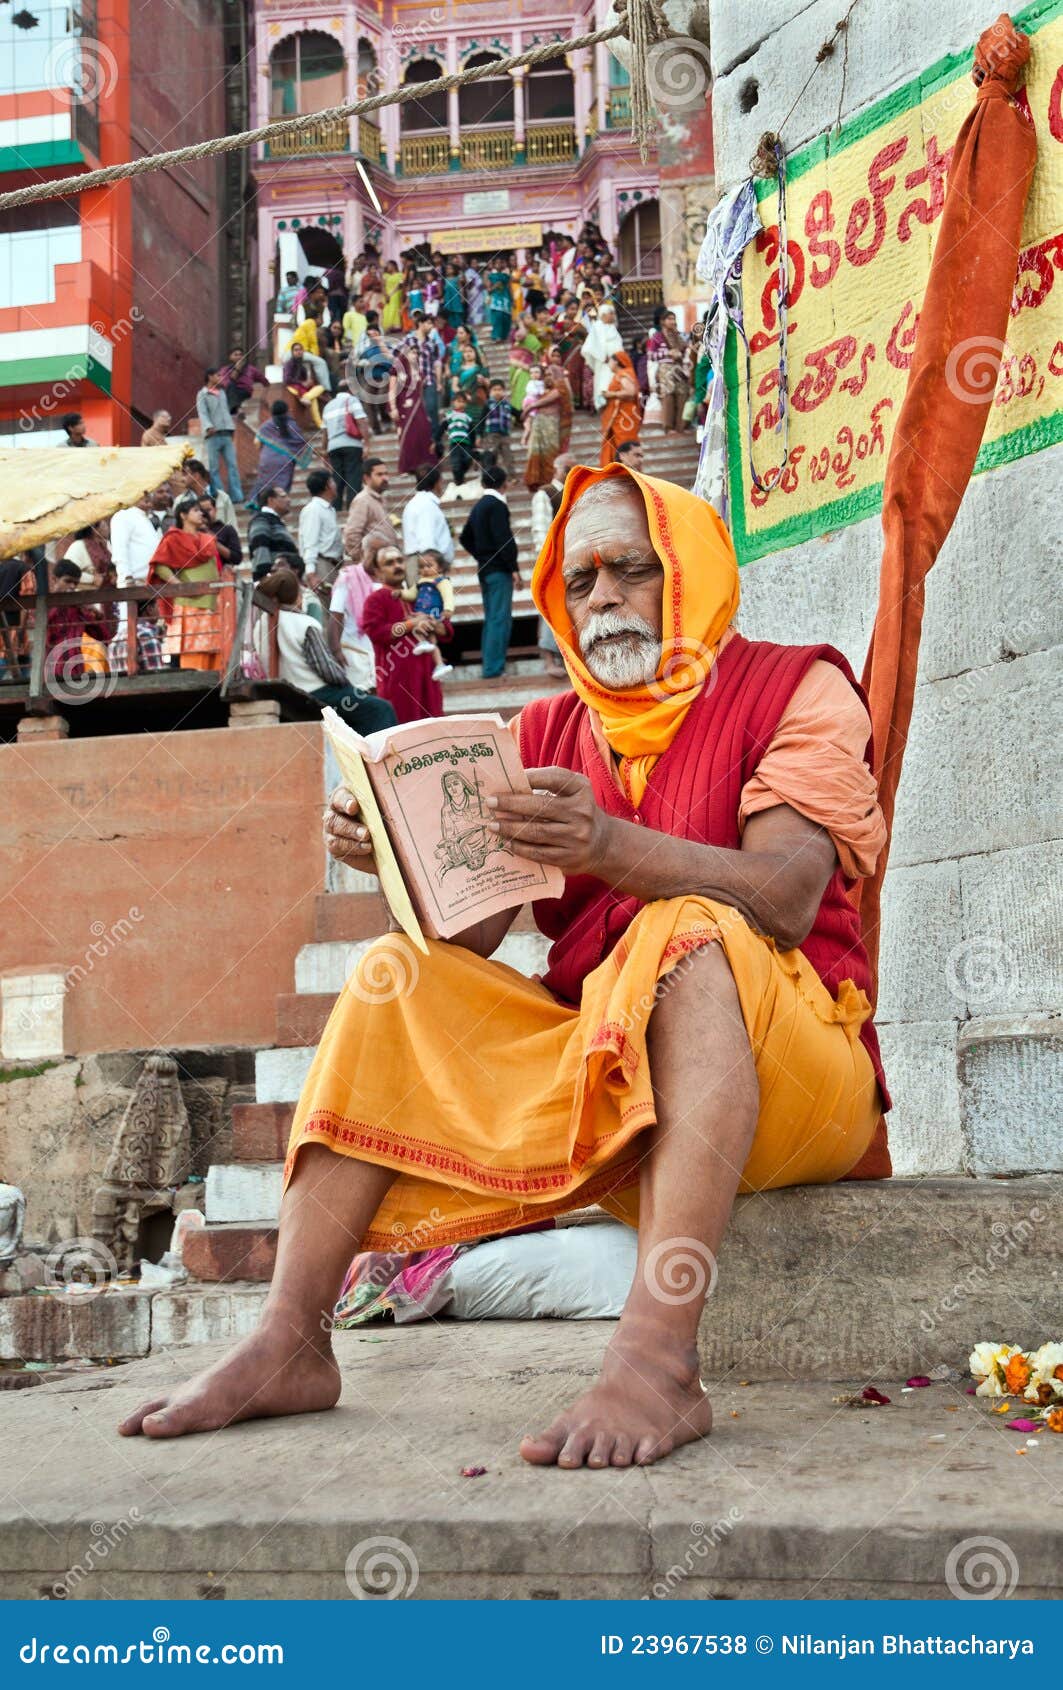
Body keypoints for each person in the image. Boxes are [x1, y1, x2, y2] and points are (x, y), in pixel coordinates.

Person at [118, 465, 890, 1464]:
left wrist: (608, 846)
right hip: (614, 1087)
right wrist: (398, 853)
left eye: (630, 570)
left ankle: (656, 1364)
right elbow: (469, 940)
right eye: (580, 581)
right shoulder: (538, 732)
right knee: (392, 978)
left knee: (688, 930)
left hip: (797, 1083)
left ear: (692, 572)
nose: (601, 598)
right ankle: (291, 1337)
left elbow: (786, 894)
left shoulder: (799, 688)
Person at [254, 568, 397, 734]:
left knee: (360, 712)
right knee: (381, 709)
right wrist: (347, 682)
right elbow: (327, 670)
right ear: (296, 596)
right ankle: (377, 751)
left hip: (289, 692)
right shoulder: (304, 623)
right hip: (315, 694)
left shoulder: (260, 625)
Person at [360, 541, 449, 723]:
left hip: (428, 679)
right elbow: (377, 632)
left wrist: (432, 623)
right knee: (402, 732)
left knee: (434, 731)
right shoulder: (375, 600)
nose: (397, 566)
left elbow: (446, 630)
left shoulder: (420, 594)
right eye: (389, 563)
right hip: (397, 682)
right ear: (377, 571)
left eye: (400, 561)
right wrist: (411, 624)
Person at [147, 491, 227, 671]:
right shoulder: (173, 538)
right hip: (189, 603)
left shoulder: (207, 539)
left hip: (213, 602)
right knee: (194, 656)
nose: (201, 513)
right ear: (183, 515)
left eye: (201, 511)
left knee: (216, 656)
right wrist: (179, 586)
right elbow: (159, 566)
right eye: (195, 510)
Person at [459, 462, 519, 679]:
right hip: (499, 570)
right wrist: (513, 568)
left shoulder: (479, 506)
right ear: (504, 484)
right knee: (499, 619)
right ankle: (494, 668)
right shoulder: (497, 505)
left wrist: (482, 556)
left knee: (492, 618)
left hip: (485, 569)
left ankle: (491, 665)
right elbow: (504, 540)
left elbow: (464, 537)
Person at [45, 559, 115, 685]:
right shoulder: (44, 606)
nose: (72, 586)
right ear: (54, 580)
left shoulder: (78, 609)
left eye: (75, 583)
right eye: (68, 581)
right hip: (51, 672)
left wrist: (97, 616)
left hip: (75, 672)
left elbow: (103, 637)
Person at [392, 316, 440, 472]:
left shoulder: (432, 343)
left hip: (429, 380)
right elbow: (395, 355)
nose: (431, 326)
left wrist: (439, 382)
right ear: (420, 323)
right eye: (429, 323)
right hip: (409, 387)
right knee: (413, 422)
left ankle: (433, 450)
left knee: (431, 413)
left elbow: (437, 363)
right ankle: (413, 459)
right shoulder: (407, 340)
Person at [244, 401, 309, 510]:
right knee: (280, 488)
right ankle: (277, 509)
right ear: (287, 411)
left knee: (265, 485)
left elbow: (256, 443)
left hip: (266, 459)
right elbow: (301, 443)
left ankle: (261, 507)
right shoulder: (292, 425)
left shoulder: (266, 425)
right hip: (284, 461)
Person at [401, 548, 453, 679]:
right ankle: (439, 665)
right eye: (421, 566)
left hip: (432, 614)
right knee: (432, 642)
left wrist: (448, 609)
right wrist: (401, 593)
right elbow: (411, 595)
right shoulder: (420, 582)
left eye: (429, 566)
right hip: (421, 613)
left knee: (419, 628)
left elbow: (448, 596)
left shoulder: (441, 581)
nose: (424, 569)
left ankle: (422, 643)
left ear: (440, 567)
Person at [195, 368, 244, 504]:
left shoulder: (222, 393)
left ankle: (237, 496)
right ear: (210, 377)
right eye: (218, 375)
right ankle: (221, 498)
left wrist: (231, 427)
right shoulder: (202, 394)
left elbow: (226, 412)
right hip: (213, 435)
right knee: (214, 468)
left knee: (232, 465)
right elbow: (202, 412)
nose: (221, 378)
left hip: (226, 433)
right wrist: (208, 426)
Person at [321, 381, 367, 512]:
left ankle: (336, 508)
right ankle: (353, 507)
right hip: (352, 444)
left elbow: (324, 432)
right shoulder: (352, 400)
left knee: (337, 478)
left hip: (333, 446)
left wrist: (324, 451)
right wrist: (367, 443)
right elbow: (361, 421)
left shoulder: (328, 406)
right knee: (354, 475)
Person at [343, 458, 394, 565]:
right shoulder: (363, 500)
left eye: (386, 474)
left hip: (384, 562)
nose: (385, 478)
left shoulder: (379, 499)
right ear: (366, 478)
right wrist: (363, 560)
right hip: (373, 564)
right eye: (379, 474)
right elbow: (351, 534)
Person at [401, 462, 454, 565]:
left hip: (427, 561)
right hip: (428, 562)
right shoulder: (426, 505)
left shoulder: (421, 502)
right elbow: (426, 541)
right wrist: (432, 567)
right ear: (437, 483)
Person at [647, 311, 690, 434]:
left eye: (674, 319)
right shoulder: (657, 337)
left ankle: (681, 426)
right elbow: (651, 356)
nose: (673, 321)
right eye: (669, 319)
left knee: (682, 394)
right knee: (668, 396)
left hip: (680, 368)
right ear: (663, 321)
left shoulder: (680, 336)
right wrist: (668, 353)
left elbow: (687, 350)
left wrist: (681, 354)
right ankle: (669, 427)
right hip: (665, 368)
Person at [298, 469, 343, 584]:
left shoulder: (329, 509)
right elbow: (310, 542)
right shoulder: (313, 509)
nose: (335, 485)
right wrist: (311, 573)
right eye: (332, 481)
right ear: (327, 485)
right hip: (321, 567)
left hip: (333, 566)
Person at [523, 367, 563, 494]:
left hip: (551, 425)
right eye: (546, 375)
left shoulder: (560, 389)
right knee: (535, 452)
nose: (547, 377)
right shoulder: (541, 391)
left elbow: (553, 396)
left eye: (550, 374)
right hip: (539, 424)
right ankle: (538, 481)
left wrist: (530, 407)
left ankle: (551, 481)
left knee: (551, 451)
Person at [600, 351, 642, 466]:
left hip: (625, 417)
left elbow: (630, 392)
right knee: (616, 446)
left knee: (626, 445)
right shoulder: (620, 374)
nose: (609, 363)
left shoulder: (623, 373)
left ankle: (629, 471)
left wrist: (610, 394)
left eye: (610, 360)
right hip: (620, 415)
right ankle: (617, 472)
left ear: (616, 362)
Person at [248, 488, 299, 580]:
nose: (289, 500)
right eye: (283, 496)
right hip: (275, 580)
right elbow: (260, 547)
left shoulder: (275, 520)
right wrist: (267, 577)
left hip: (284, 578)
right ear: (271, 500)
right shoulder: (261, 519)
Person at [583, 302, 623, 410]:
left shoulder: (612, 328)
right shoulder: (597, 327)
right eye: (611, 313)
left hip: (616, 364)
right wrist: (603, 357)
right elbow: (588, 347)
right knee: (604, 388)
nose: (613, 316)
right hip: (604, 365)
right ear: (603, 315)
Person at [283, 342, 326, 430]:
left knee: (321, 388)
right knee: (313, 399)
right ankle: (320, 423)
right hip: (292, 388)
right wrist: (302, 383)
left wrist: (308, 382)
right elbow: (287, 379)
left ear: (303, 352)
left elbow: (305, 380)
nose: (298, 352)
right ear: (292, 352)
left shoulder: (302, 367)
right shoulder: (289, 364)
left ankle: (306, 398)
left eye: (300, 350)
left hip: (303, 390)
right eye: (296, 350)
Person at [184, 458, 235, 530]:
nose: (182, 479)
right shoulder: (180, 501)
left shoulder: (222, 497)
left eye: (185, 474)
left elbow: (232, 524)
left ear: (196, 476)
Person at [440, 390, 477, 487]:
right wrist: (436, 439)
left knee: (468, 459)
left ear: (466, 404)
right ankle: (459, 481)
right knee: (456, 463)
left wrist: (473, 445)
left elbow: (472, 432)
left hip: (466, 443)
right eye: (458, 401)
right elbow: (442, 427)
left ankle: (460, 476)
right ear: (453, 402)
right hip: (454, 443)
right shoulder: (449, 415)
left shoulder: (467, 417)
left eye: (463, 402)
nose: (461, 404)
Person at [199, 494, 242, 572]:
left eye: (208, 510)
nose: (205, 514)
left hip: (221, 574)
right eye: (202, 511)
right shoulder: (193, 530)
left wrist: (212, 540)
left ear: (215, 510)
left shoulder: (227, 529)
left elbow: (237, 558)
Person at [481, 378, 514, 476]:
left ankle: (511, 477)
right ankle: (488, 476)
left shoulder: (507, 404)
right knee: (491, 455)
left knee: (508, 456)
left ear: (504, 391)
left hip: (505, 434)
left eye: (499, 389)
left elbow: (517, 413)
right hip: (492, 434)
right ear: (490, 392)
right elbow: (481, 420)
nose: (497, 392)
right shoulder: (488, 404)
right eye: (494, 390)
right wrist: (479, 435)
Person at [60, 521, 111, 585]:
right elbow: (67, 572)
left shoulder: (107, 545)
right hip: (86, 590)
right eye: (105, 526)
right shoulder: (78, 546)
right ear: (94, 530)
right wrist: (92, 579)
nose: (108, 528)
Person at [220, 347, 268, 415]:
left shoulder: (251, 369)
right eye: (236, 355)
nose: (239, 357)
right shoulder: (225, 370)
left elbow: (265, 382)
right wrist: (237, 368)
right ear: (230, 357)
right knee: (230, 386)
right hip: (230, 392)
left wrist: (264, 396)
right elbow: (227, 382)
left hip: (244, 392)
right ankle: (235, 410)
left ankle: (234, 411)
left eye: (241, 355)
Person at [520, 363, 545, 448]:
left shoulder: (542, 383)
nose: (534, 375)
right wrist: (539, 392)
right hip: (530, 401)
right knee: (529, 421)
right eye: (532, 373)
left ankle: (531, 439)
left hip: (537, 402)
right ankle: (524, 439)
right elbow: (531, 391)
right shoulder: (530, 383)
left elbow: (543, 391)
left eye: (537, 372)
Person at [487, 261, 513, 341]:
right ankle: (495, 336)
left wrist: (512, 300)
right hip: (496, 301)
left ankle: (504, 336)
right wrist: (495, 286)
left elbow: (510, 288)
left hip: (505, 300)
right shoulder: (491, 276)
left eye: (500, 263)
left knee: (506, 318)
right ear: (494, 265)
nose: (498, 264)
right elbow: (489, 290)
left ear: (503, 264)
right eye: (496, 263)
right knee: (497, 317)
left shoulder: (506, 276)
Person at [380, 258, 403, 333]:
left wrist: (391, 294)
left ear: (394, 266)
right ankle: (388, 327)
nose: (387, 267)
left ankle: (395, 326)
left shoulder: (400, 275)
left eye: (389, 265)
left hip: (395, 294)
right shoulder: (385, 275)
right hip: (386, 295)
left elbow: (399, 286)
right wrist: (386, 295)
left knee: (394, 308)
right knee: (387, 310)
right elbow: (383, 286)